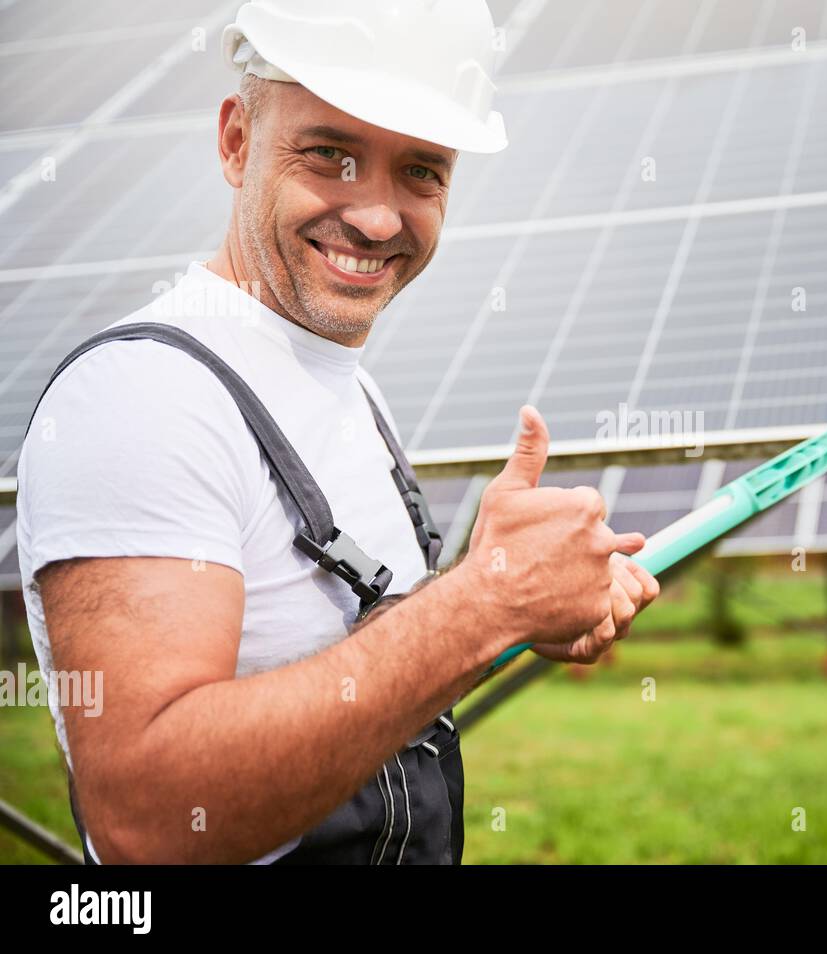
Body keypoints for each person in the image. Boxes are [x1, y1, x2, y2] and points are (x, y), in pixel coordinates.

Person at [16, 0, 659, 865]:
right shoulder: (143, 396)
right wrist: (483, 603)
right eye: (331, 154)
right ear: (237, 140)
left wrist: (521, 601)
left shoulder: (350, 389)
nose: (379, 218)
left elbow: (372, 671)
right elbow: (149, 819)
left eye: (422, 172)